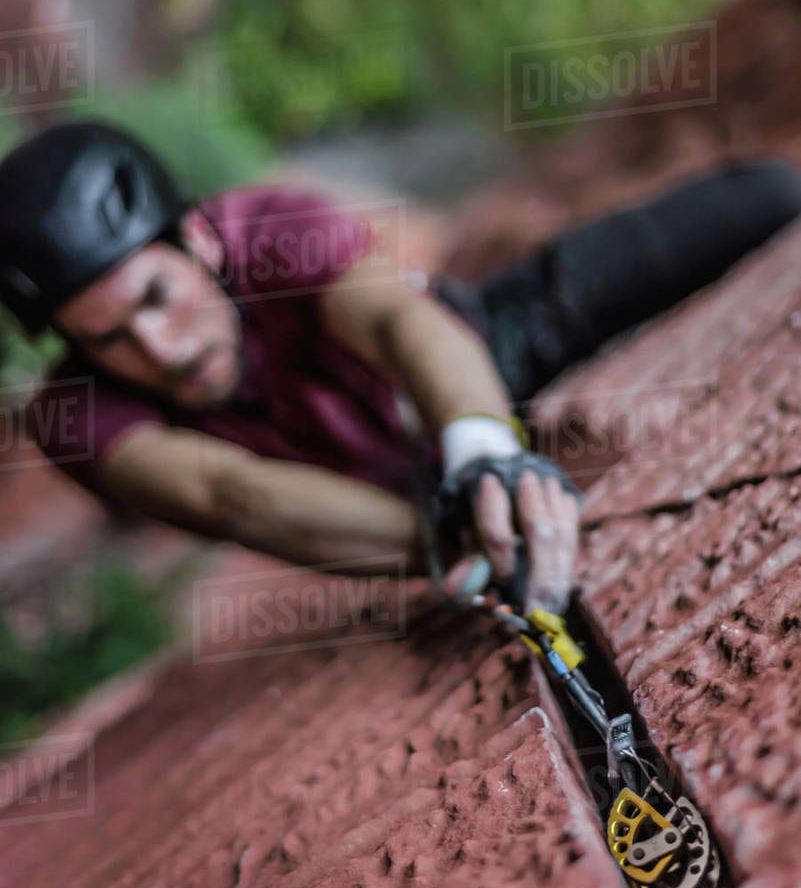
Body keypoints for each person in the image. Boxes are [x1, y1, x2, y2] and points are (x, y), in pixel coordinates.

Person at [4, 122, 801, 617]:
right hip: (387, 507)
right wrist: (454, 544)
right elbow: (228, 494)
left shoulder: (268, 227)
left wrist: (486, 452)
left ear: (199, 242)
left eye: (158, 296)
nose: (162, 349)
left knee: (764, 195)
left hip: (487, 350)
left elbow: (395, 319)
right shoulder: (77, 417)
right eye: (108, 340)